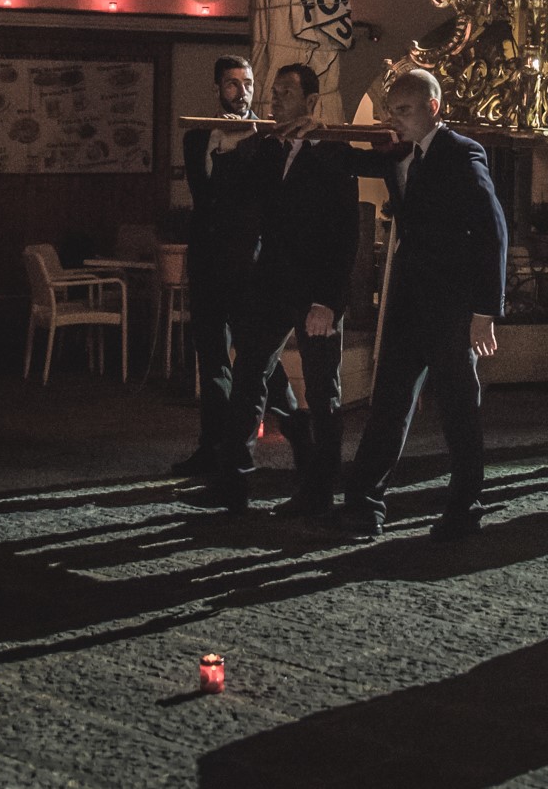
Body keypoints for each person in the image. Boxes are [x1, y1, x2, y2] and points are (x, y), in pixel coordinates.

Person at [334, 70, 508, 540]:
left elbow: (493, 233)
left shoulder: (462, 152)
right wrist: (320, 138)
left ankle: (465, 506)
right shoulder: (398, 153)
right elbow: (357, 164)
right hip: (409, 304)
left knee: (458, 408)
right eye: (391, 110)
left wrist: (484, 313)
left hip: (452, 309)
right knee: (389, 402)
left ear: (433, 107)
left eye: (403, 110)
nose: (394, 119)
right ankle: (364, 505)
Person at [199, 63, 359, 515]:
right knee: (248, 380)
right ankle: (233, 484)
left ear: (310, 102)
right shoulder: (267, 151)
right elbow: (228, 186)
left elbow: (347, 233)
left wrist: (329, 301)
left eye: (285, 93)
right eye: (273, 93)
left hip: (315, 291)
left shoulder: (332, 152)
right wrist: (237, 142)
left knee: (323, 391)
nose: (274, 100)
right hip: (268, 284)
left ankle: (319, 492)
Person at [172, 56, 304, 477]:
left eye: (247, 83)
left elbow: (256, 200)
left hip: (248, 270)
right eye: (232, 84)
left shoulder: (265, 140)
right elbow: (204, 197)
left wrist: (239, 145)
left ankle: (305, 436)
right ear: (217, 89)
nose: (242, 91)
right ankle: (211, 450)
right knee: (211, 362)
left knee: (257, 361)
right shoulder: (196, 139)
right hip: (206, 267)